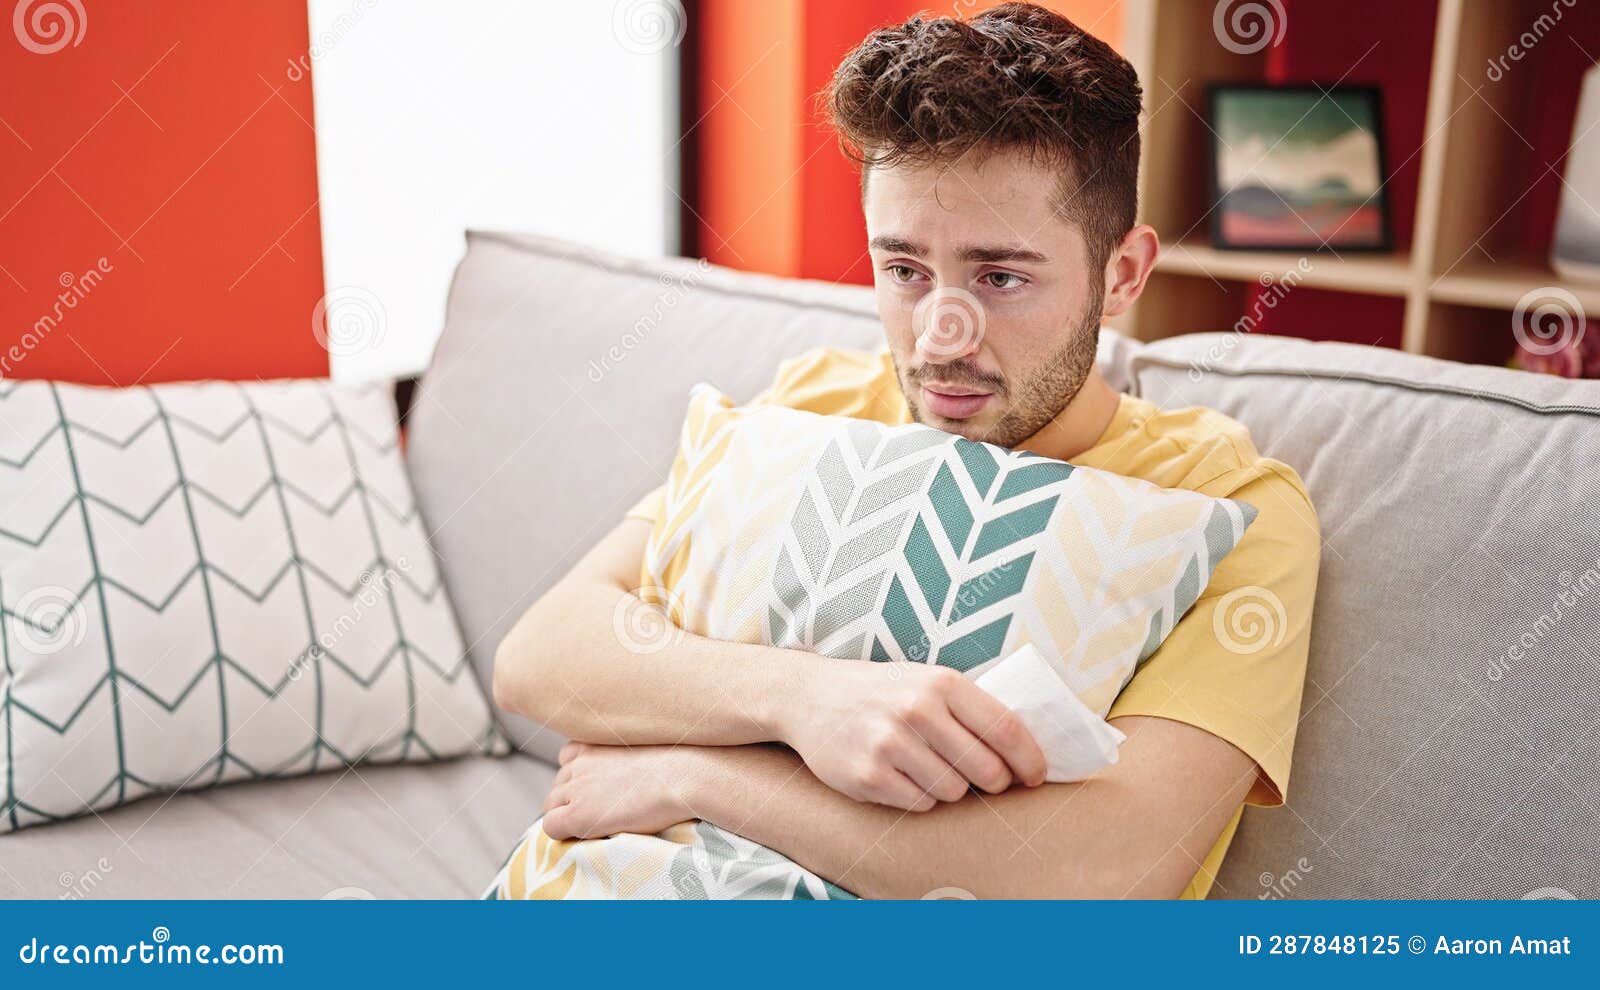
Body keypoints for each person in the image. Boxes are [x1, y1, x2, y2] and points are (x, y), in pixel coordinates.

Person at [492, 2, 1320, 899]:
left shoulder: (1232, 505)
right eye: (904, 270)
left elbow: (1103, 872)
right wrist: (806, 700)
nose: (938, 337)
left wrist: (693, 775)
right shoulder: (814, 403)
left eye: (1000, 276)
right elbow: (543, 653)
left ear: (1121, 274)